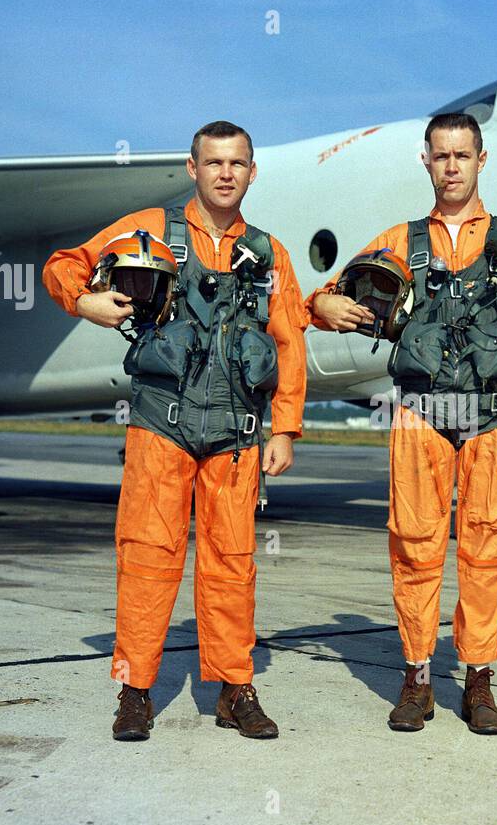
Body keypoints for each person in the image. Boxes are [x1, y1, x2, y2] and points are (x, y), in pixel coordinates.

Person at [43, 121, 307, 740]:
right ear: (192, 168)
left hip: (237, 437)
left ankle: (234, 687)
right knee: (148, 557)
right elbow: (64, 265)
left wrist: (285, 429)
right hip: (161, 428)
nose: (224, 174)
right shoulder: (152, 229)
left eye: (237, 164)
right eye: (213, 163)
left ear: (252, 172)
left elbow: (289, 341)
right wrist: (84, 302)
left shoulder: (269, 256)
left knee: (232, 564)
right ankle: (135, 691)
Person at [307, 112, 497, 735]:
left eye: (463, 155)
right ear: (426, 161)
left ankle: (478, 682)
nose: (452, 166)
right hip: (421, 416)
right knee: (416, 549)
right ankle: (418, 677)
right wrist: (322, 305)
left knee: (484, 553)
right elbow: (330, 294)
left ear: (482, 160)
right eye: (441, 155)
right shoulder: (400, 240)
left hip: (492, 421)